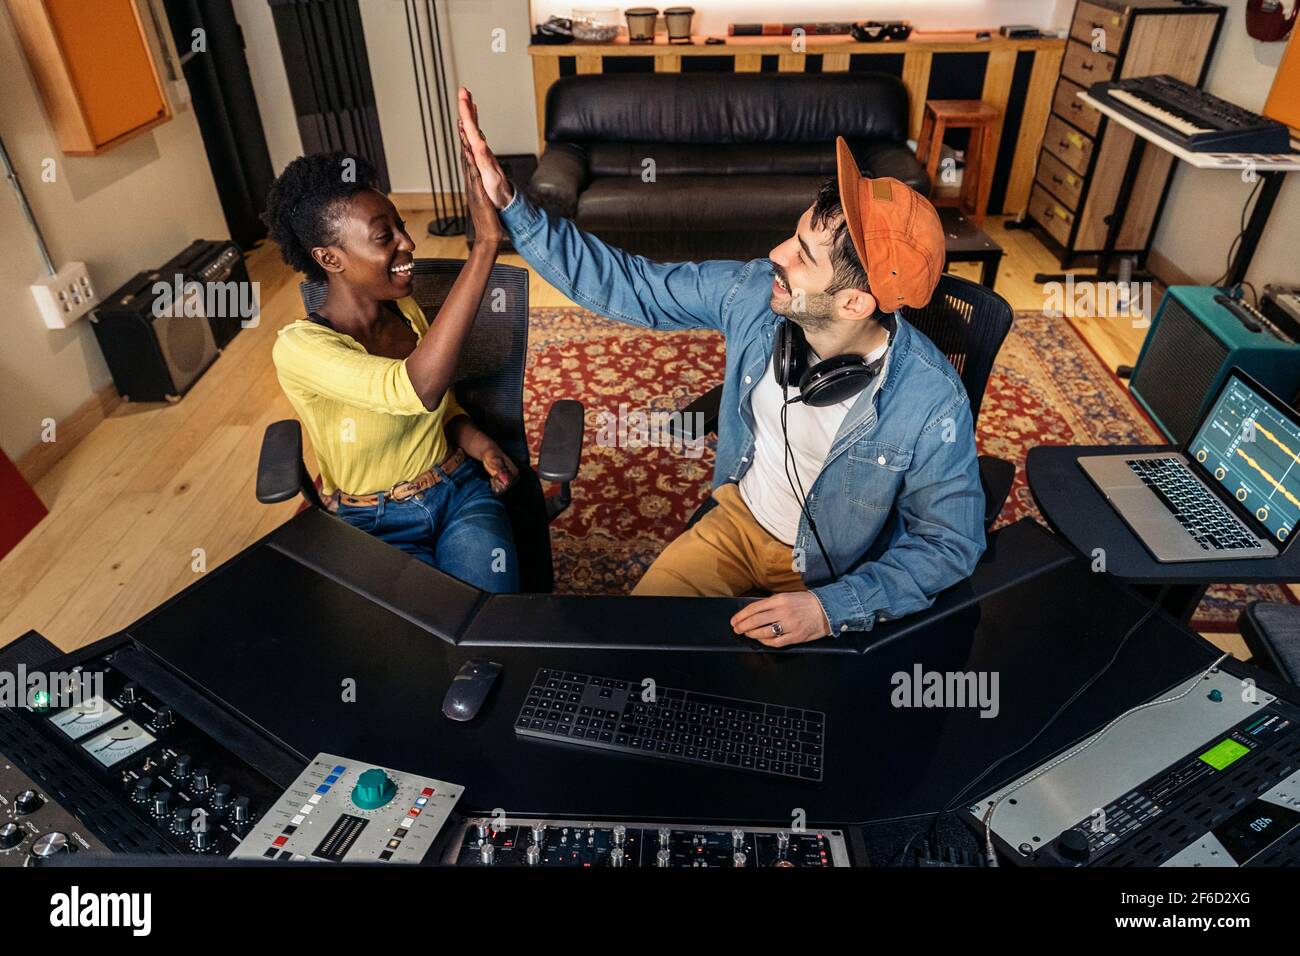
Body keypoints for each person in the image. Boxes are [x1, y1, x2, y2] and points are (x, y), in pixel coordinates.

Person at [457, 88, 986, 643]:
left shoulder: (930, 400)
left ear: (855, 303)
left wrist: (831, 608)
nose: (776, 255)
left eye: (802, 255)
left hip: (832, 570)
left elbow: (950, 543)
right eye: (794, 235)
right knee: (629, 646)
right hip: (735, 522)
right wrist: (512, 201)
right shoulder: (754, 293)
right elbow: (632, 284)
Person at [263, 140, 519, 592]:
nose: (408, 242)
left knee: (489, 624)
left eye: (401, 226)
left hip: (459, 491)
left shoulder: (404, 310)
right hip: (373, 523)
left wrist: (481, 446)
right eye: (386, 236)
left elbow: (439, 408)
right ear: (329, 258)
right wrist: (484, 248)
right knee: (420, 643)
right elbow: (415, 390)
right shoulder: (302, 349)